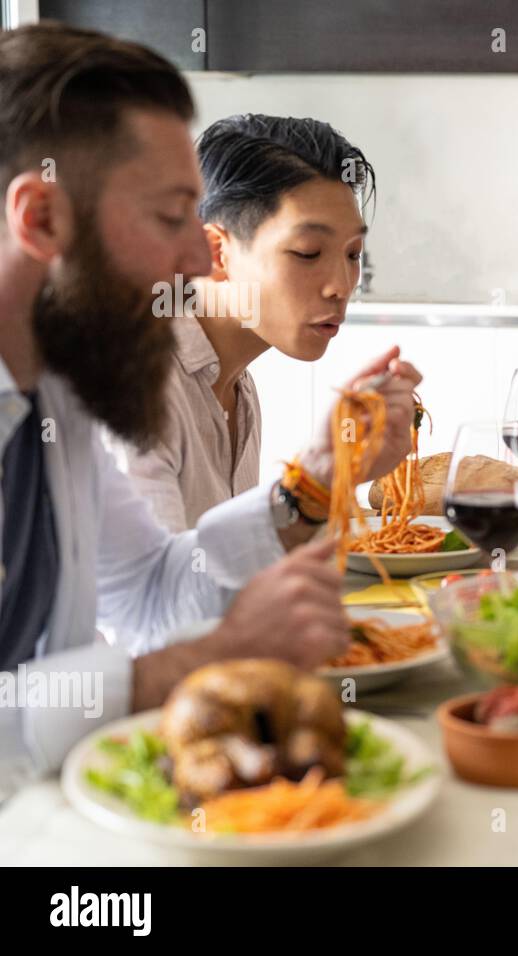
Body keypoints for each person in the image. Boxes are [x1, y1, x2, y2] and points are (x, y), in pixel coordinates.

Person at [0, 24, 418, 788]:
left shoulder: (54, 394)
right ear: (40, 219)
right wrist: (192, 663)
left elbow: (154, 591)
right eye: (169, 220)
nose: (198, 262)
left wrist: (313, 478)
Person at [121, 114, 374, 531]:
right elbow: (156, 591)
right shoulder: (139, 389)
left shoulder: (238, 386)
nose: (341, 286)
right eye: (308, 252)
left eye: (352, 253)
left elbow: (230, 565)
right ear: (217, 253)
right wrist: (315, 477)